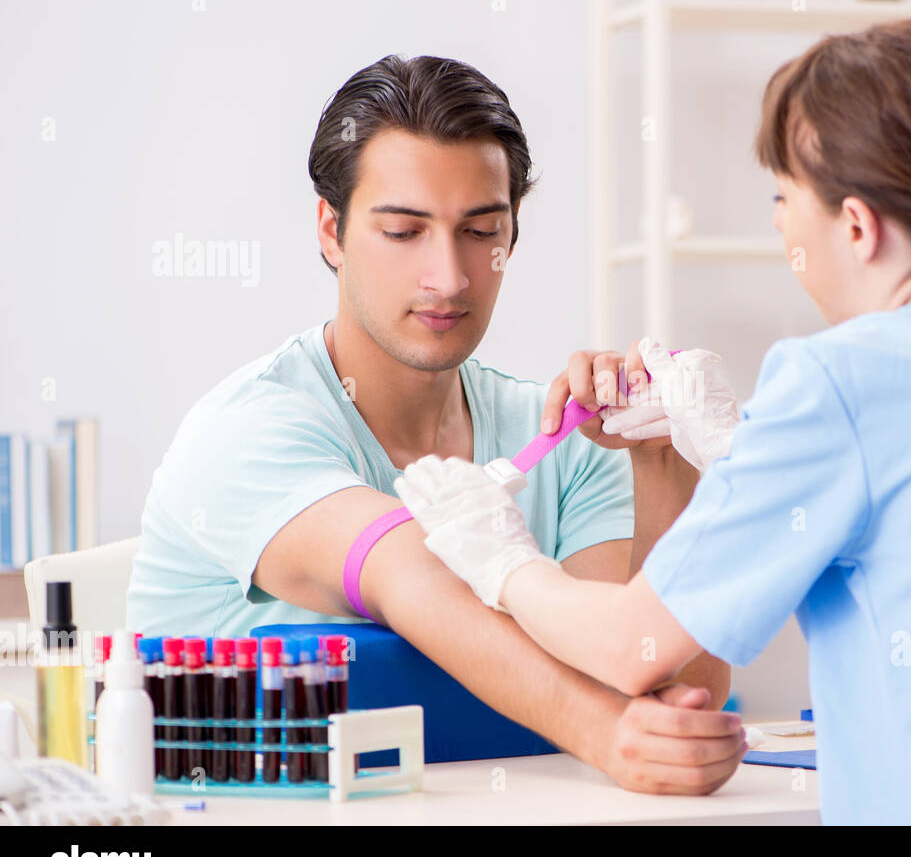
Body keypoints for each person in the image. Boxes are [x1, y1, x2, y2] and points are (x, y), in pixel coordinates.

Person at [392, 20, 911, 824]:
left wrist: (498, 554)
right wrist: (736, 449)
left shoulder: (839, 377)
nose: (779, 223)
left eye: (783, 197)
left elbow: (628, 647)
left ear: (855, 226)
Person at [124, 54, 743, 796]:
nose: (448, 277)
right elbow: (409, 574)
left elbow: (658, 670)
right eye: (404, 232)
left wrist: (659, 457)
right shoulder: (250, 430)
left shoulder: (559, 435)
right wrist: (605, 730)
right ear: (331, 230)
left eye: (482, 230)